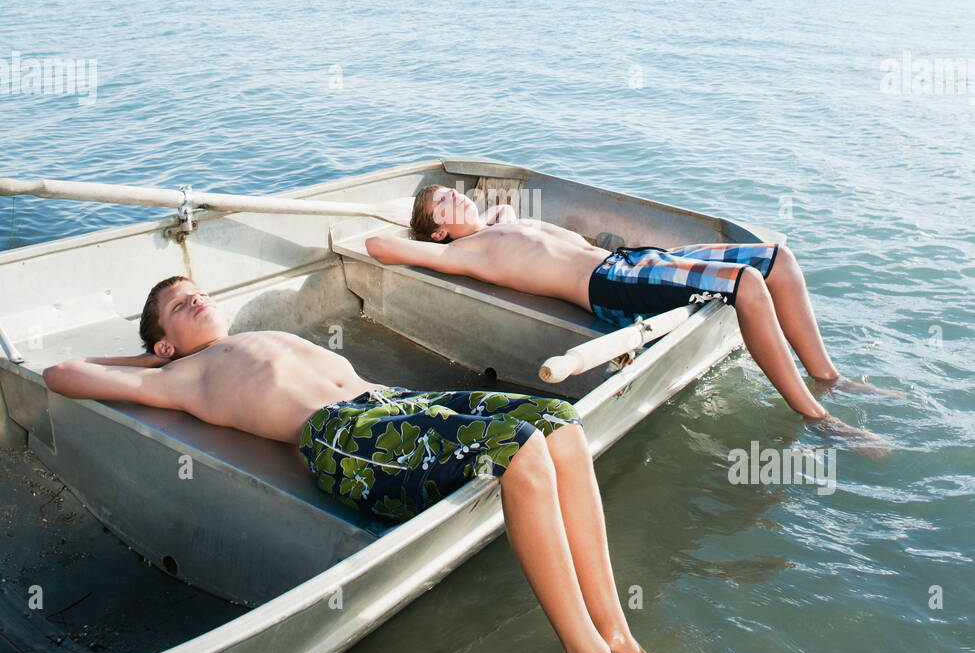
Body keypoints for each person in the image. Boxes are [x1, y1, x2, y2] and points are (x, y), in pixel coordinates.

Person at [42, 275, 701, 653]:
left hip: (392, 403)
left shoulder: (249, 337)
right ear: (163, 343)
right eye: (182, 305)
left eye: (199, 289)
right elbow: (61, 374)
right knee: (519, 450)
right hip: (343, 439)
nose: (199, 298)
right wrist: (148, 358)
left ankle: (619, 636)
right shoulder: (179, 374)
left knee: (559, 421)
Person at [365, 184, 899, 457]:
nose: (454, 197)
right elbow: (380, 245)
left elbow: (504, 221)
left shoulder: (502, 222)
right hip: (607, 286)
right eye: (441, 206)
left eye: (451, 191)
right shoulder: (464, 252)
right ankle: (818, 419)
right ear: (437, 234)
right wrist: (414, 230)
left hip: (632, 262)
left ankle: (830, 378)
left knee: (776, 259)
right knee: (746, 284)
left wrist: (491, 216)